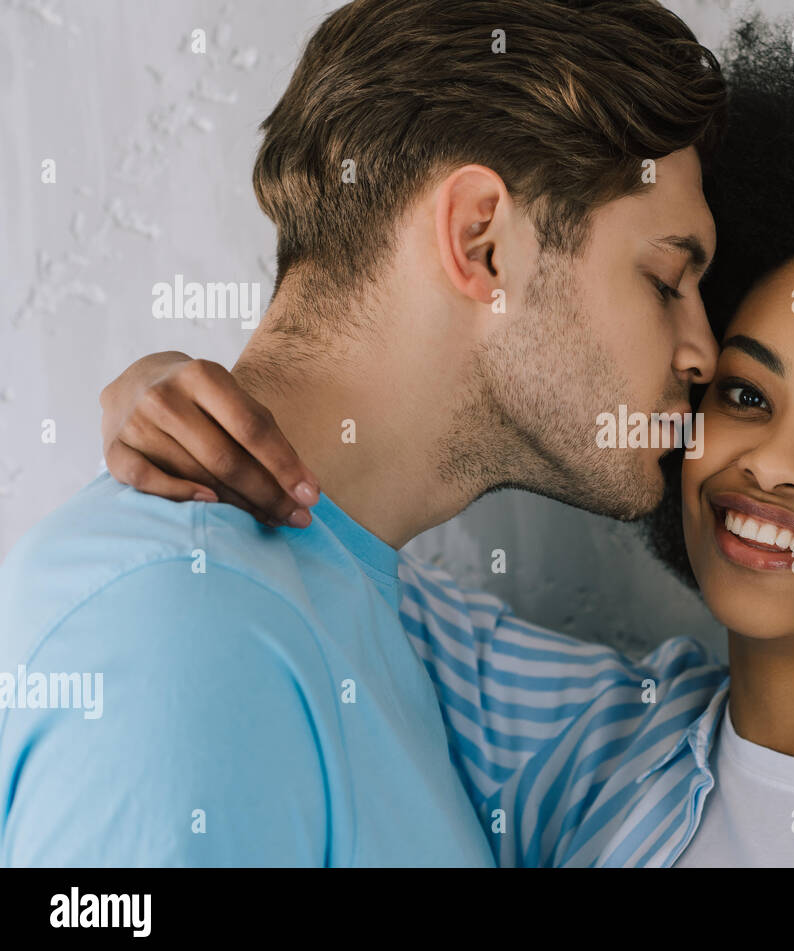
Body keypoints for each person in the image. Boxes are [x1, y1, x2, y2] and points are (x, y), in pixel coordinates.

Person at [94, 5, 794, 867]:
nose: (775, 463)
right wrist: (174, 395)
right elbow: (327, 531)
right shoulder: (573, 737)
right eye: (744, 395)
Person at [0, 0, 726, 866]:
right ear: (482, 240)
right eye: (667, 278)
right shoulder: (187, 631)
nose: (703, 352)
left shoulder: (375, 613)